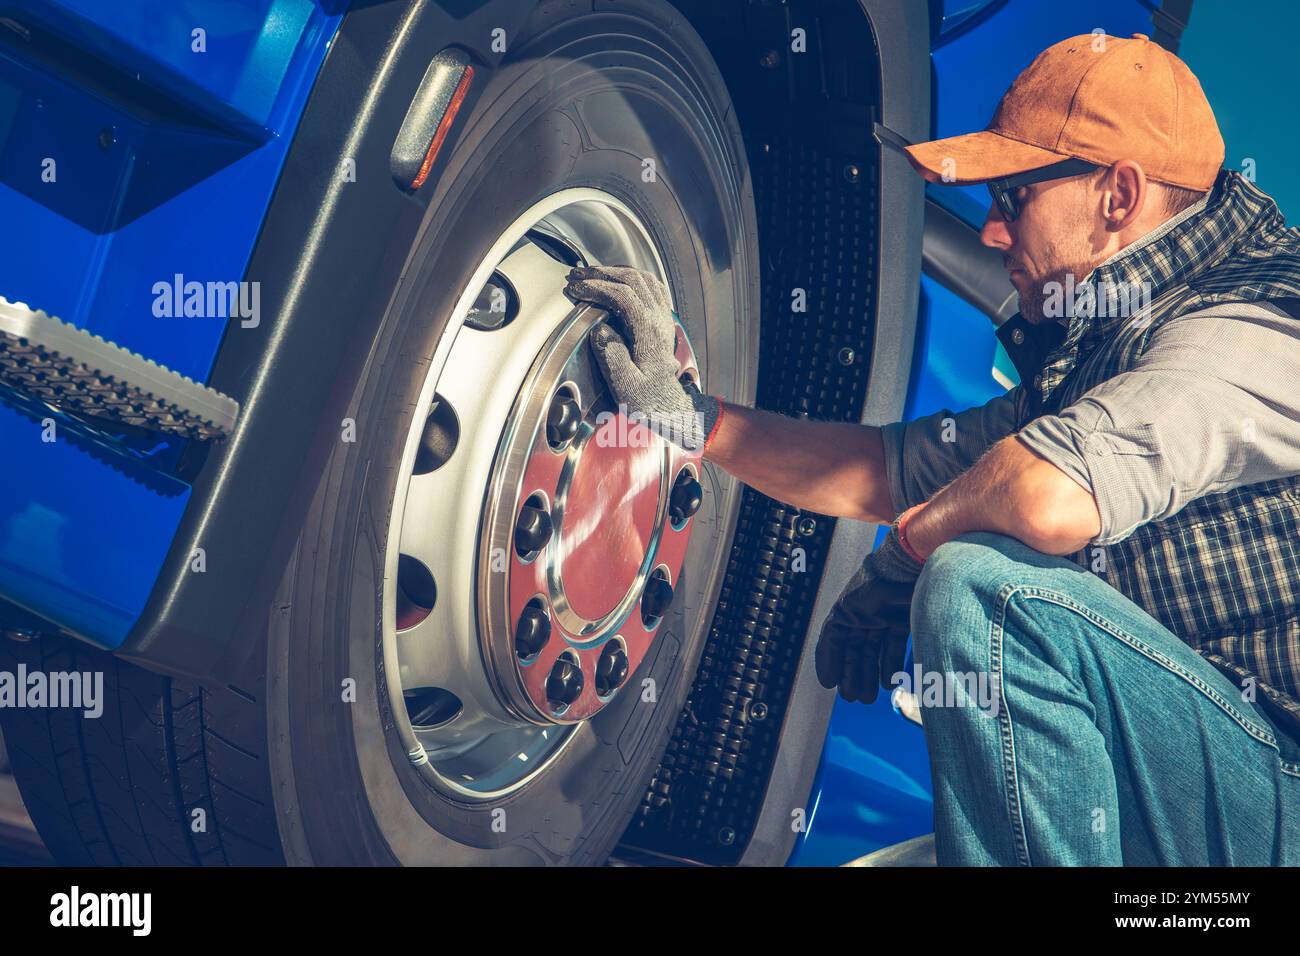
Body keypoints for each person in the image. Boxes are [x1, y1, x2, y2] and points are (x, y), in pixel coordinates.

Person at [564, 33, 1300, 865]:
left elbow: (1041, 498)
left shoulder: (1260, 323)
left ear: (1117, 196)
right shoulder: (1101, 356)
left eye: (1012, 200)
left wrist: (903, 559)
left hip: (1277, 799)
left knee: (984, 593)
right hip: (1206, 785)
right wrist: (695, 419)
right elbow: (881, 471)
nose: (990, 233)